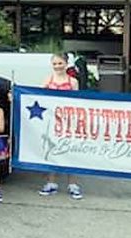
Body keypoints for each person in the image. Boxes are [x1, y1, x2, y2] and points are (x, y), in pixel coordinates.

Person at [39, 53, 82, 199]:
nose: (57, 66)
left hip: (68, 121)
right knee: (52, 150)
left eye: (60, 63)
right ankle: (51, 182)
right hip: (52, 120)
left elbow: (77, 102)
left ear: (66, 63)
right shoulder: (48, 80)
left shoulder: (73, 82)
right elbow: (39, 97)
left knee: (70, 150)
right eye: (55, 64)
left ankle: (73, 183)